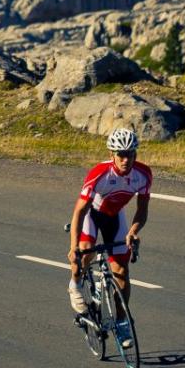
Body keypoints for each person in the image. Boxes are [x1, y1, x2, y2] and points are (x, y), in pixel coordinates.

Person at [68, 127, 152, 347]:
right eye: (121, 155)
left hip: (115, 217)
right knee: (84, 254)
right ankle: (75, 284)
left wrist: (133, 231)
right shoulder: (99, 174)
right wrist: (74, 246)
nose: (126, 160)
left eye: (130, 154)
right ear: (111, 154)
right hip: (92, 215)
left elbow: (142, 211)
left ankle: (122, 322)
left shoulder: (143, 174)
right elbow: (80, 211)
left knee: (121, 271)